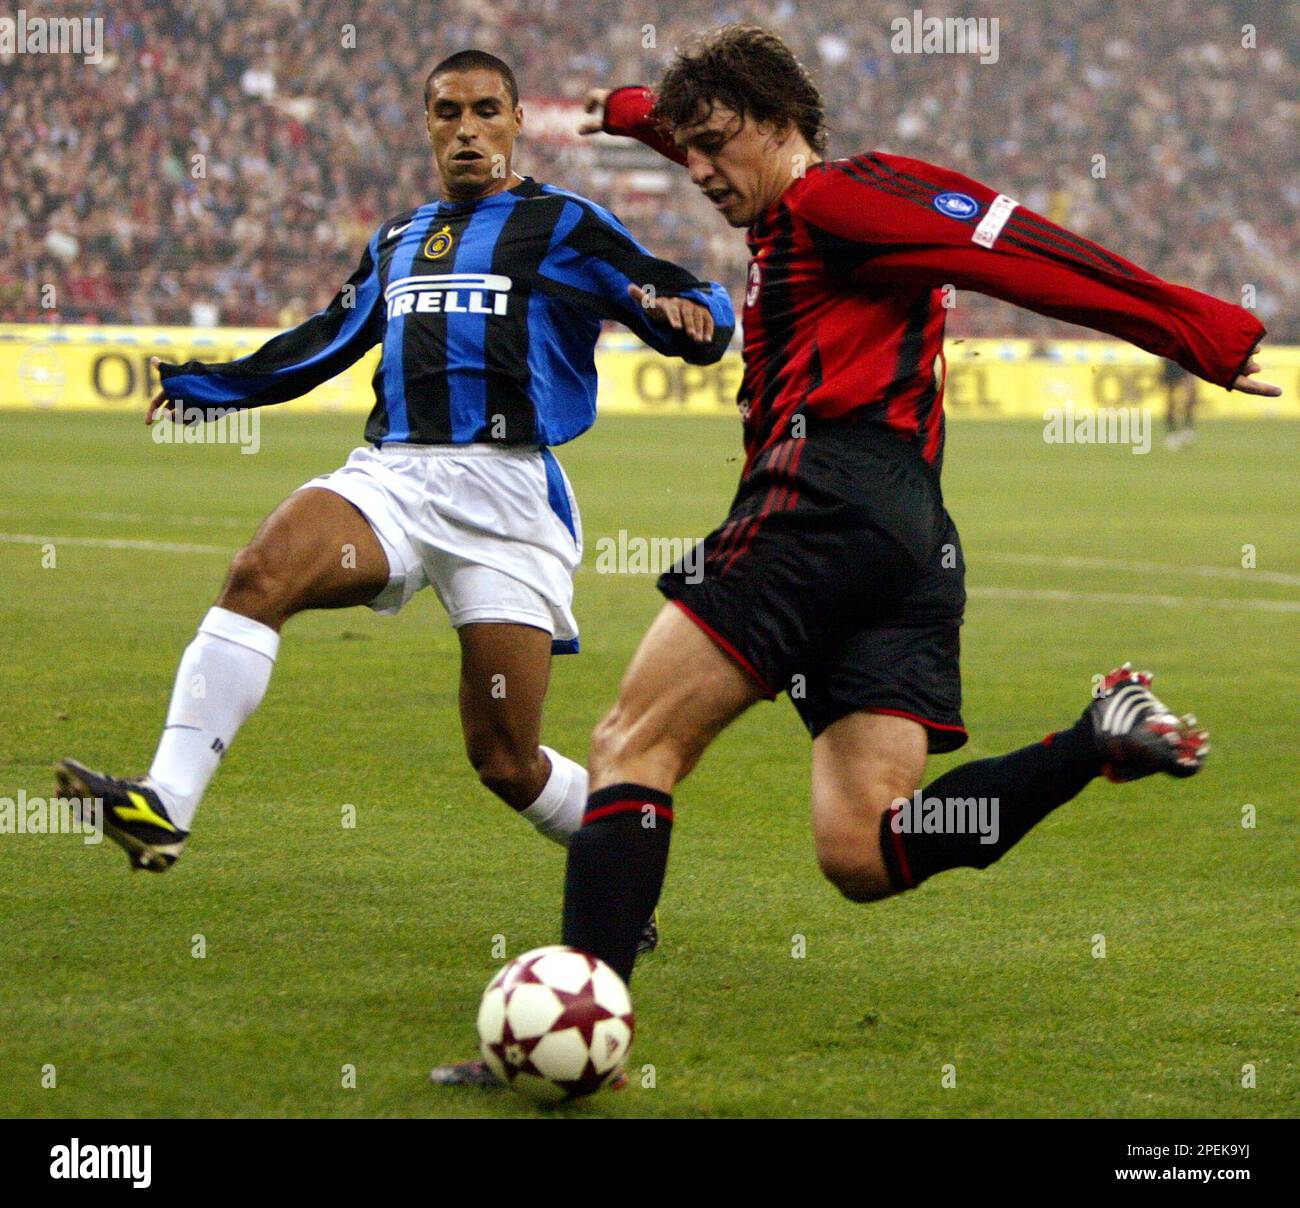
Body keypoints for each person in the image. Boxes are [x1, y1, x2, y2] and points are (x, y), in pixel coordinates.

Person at [55, 50, 734, 904]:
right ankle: (164, 804)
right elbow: (325, 340)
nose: (468, 129)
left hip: (508, 501)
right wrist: (209, 390)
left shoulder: (562, 224)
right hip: (393, 480)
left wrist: (696, 323)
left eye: (487, 110)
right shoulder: (399, 238)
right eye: (448, 112)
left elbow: (682, 297)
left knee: (504, 759)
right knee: (259, 574)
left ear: (518, 122)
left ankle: (620, 875)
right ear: (427, 124)